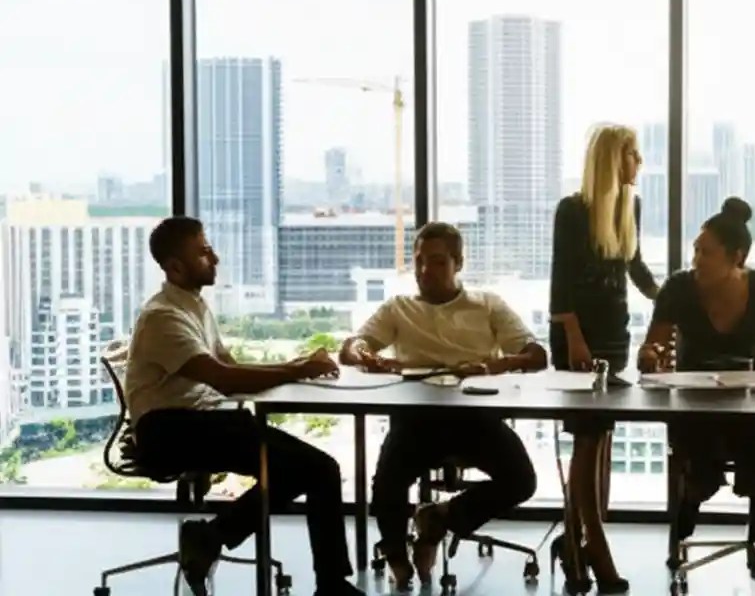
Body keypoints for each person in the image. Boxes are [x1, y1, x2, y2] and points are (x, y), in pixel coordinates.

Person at [124, 217, 362, 596]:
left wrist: (297, 366)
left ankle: (213, 535)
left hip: (205, 420)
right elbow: (225, 379)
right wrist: (298, 369)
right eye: (203, 252)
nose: (214, 258)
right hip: (168, 430)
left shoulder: (193, 305)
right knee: (317, 469)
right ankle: (330, 585)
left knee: (311, 468)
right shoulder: (163, 317)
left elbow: (230, 368)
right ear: (175, 267)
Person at [338, 222, 544, 591]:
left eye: (436, 262)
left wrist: (498, 364)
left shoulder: (487, 304)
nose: (424, 271)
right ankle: (397, 555)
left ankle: (441, 518)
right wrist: (363, 354)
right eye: (419, 262)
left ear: (458, 263)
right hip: (417, 418)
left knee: (522, 481)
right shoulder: (399, 308)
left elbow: (536, 354)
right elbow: (351, 346)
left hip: (475, 417)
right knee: (387, 482)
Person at [637, 197, 755, 554]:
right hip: (694, 403)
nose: (695, 260)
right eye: (696, 250)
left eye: (706, 253)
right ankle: (690, 504)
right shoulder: (678, 288)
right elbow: (654, 344)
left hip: (750, 402)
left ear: (737, 256)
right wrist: (650, 356)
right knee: (698, 447)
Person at [548, 123, 659, 594]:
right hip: (579, 339)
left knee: (601, 442)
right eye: (633, 154)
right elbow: (561, 283)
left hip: (615, 337)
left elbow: (634, 267)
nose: (639, 162)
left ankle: (574, 542)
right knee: (588, 442)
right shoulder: (572, 211)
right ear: (614, 159)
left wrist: (670, 298)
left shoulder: (628, 207)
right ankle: (594, 547)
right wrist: (573, 338)